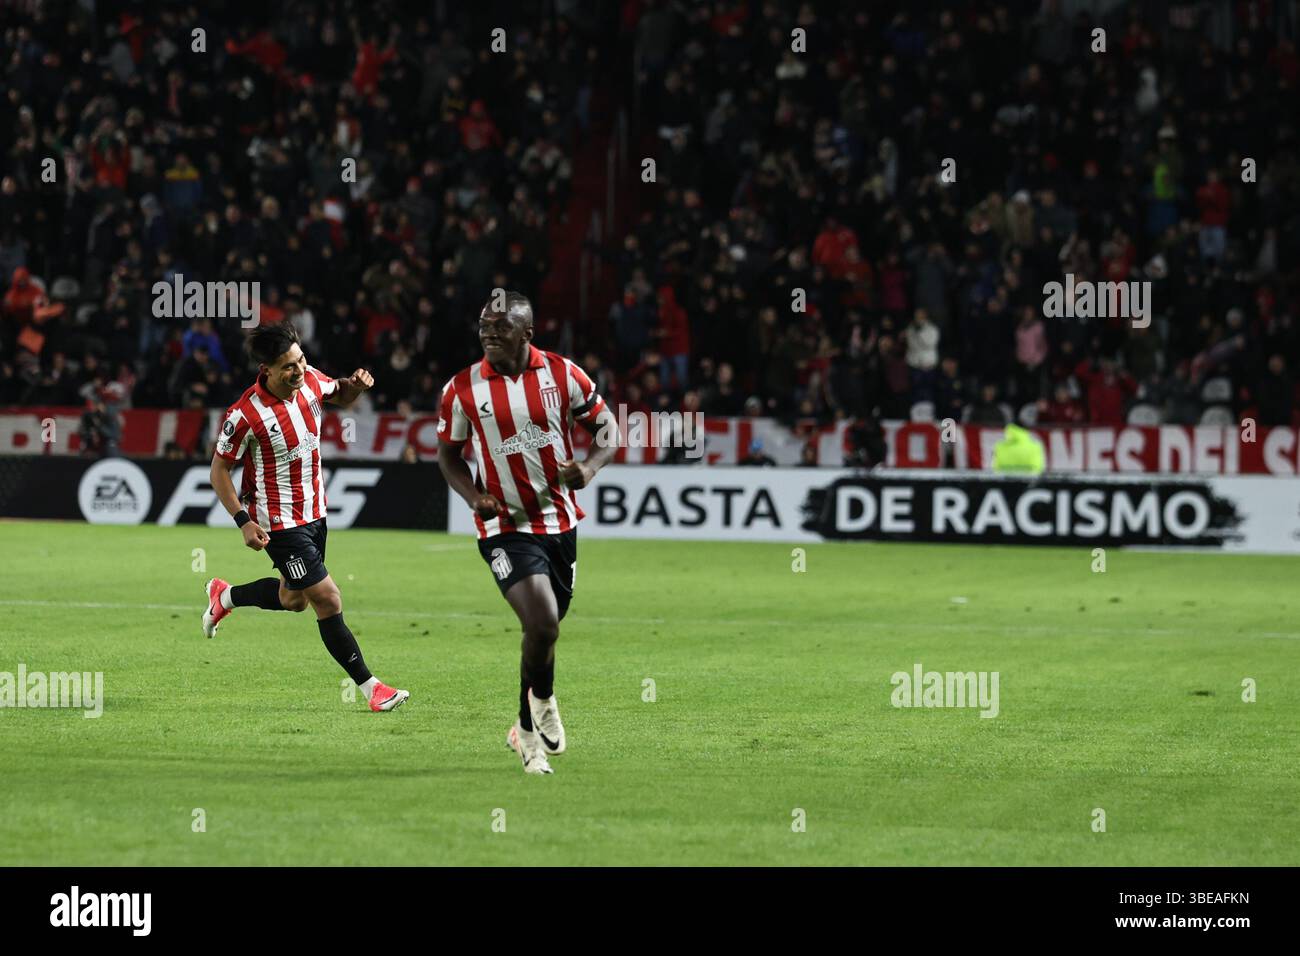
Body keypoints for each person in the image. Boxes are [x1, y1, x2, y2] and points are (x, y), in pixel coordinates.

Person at [437, 291, 619, 774]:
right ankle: (543, 703)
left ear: (527, 333)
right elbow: (449, 456)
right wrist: (475, 498)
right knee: (542, 624)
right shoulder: (462, 389)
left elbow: (607, 429)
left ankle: (523, 729)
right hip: (503, 526)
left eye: (500, 326)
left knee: (542, 636)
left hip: (560, 523)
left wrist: (591, 467)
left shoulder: (563, 374)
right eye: (483, 325)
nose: (489, 333)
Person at [201, 321, 409, 713]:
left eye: (301, 360)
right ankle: (372, 690)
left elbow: (340, 394)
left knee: (292, 600)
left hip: (315, 511)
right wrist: (243, 520)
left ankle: (224, 596)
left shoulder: (310, 379)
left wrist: (356, 385)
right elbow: (218, 471)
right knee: (328, 600)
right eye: (289, 367)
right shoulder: (244, 415)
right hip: (278, 523)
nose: (299, 371)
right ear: (266, 371)